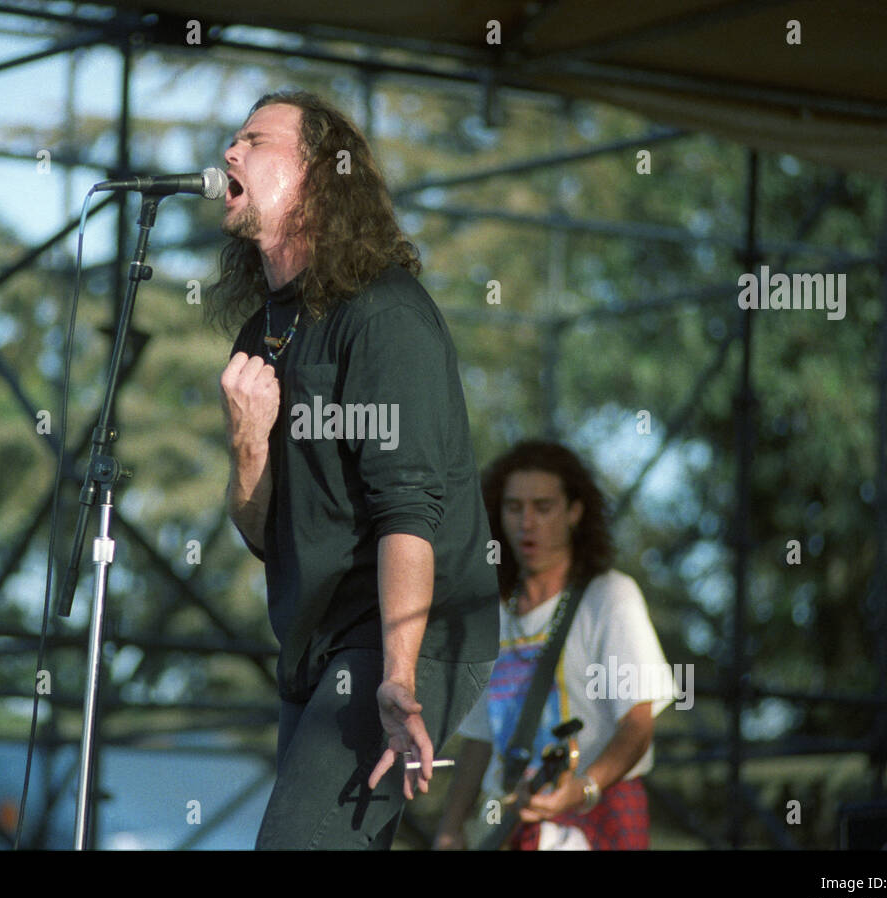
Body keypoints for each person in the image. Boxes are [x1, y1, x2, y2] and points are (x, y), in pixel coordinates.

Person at [210, 90, 499, 849]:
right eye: (232, 140)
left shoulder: (382, 313)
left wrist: (398, 677)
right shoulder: (264, 330)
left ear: (319, 177)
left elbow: (409, 509)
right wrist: (247, 447)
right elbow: (261, 531)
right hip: (315, 641)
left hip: (402, 631)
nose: (229, 153)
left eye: (255, 140)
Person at [433, 440, 674, 850]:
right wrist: (450, 829)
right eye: (514, 507)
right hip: (510, 821)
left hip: (595, 816)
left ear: (575, 512)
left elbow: (638, 724)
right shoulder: (489, 613)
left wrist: (583, 788)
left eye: (543, 507)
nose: (527, 522)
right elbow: (480, 739)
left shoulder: (609, 596)